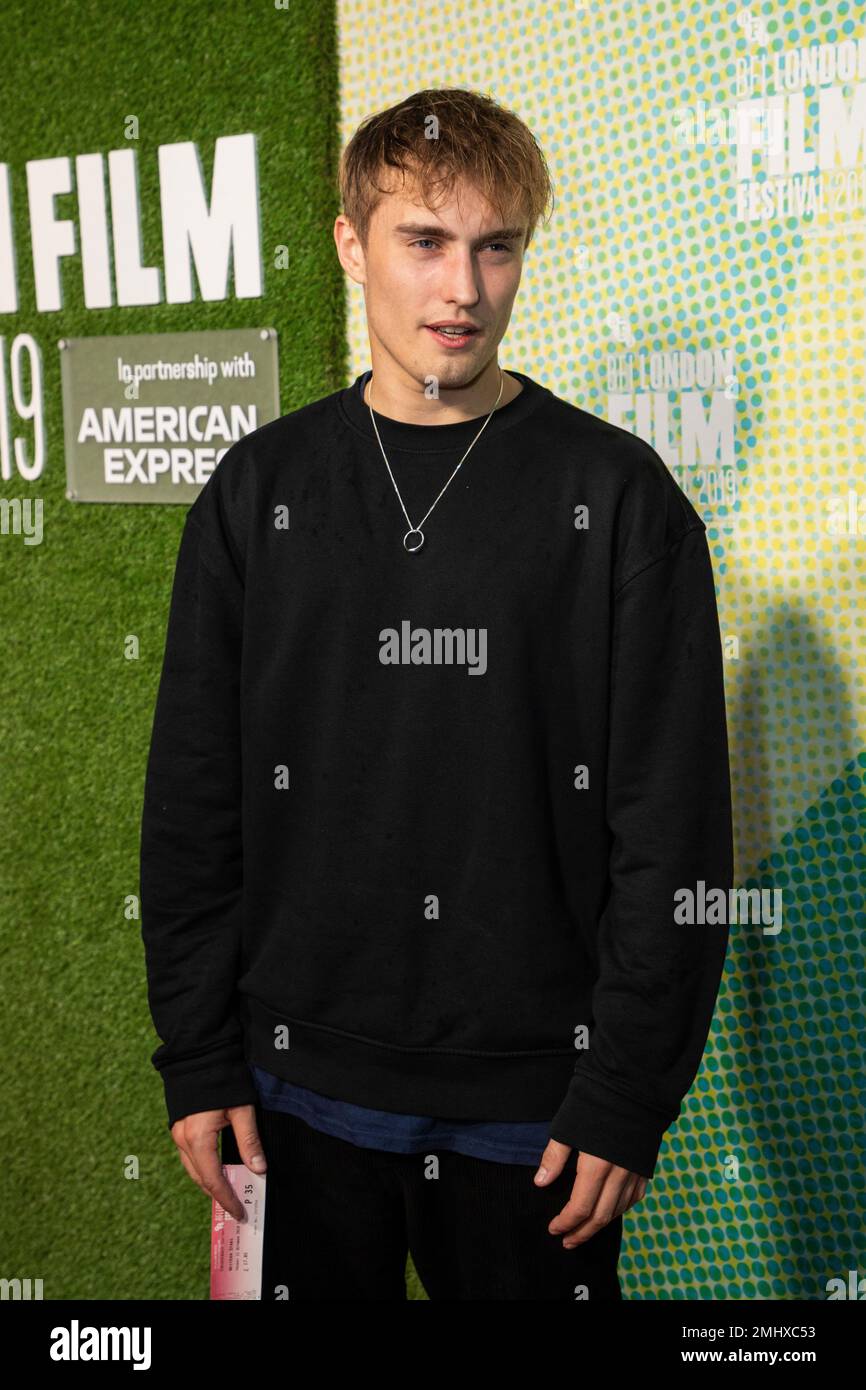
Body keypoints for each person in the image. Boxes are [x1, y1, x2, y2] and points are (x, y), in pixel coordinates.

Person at [140, 86, 733, 1301]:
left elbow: (671, 829)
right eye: (424, 241)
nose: (462, 287)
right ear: (353, 244)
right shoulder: (258, 492)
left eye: (494, 245)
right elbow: (195, 796)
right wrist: (200, 1056)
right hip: (291, 1093)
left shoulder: (619, 502)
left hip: (537, 1115)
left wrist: (625, 1091)